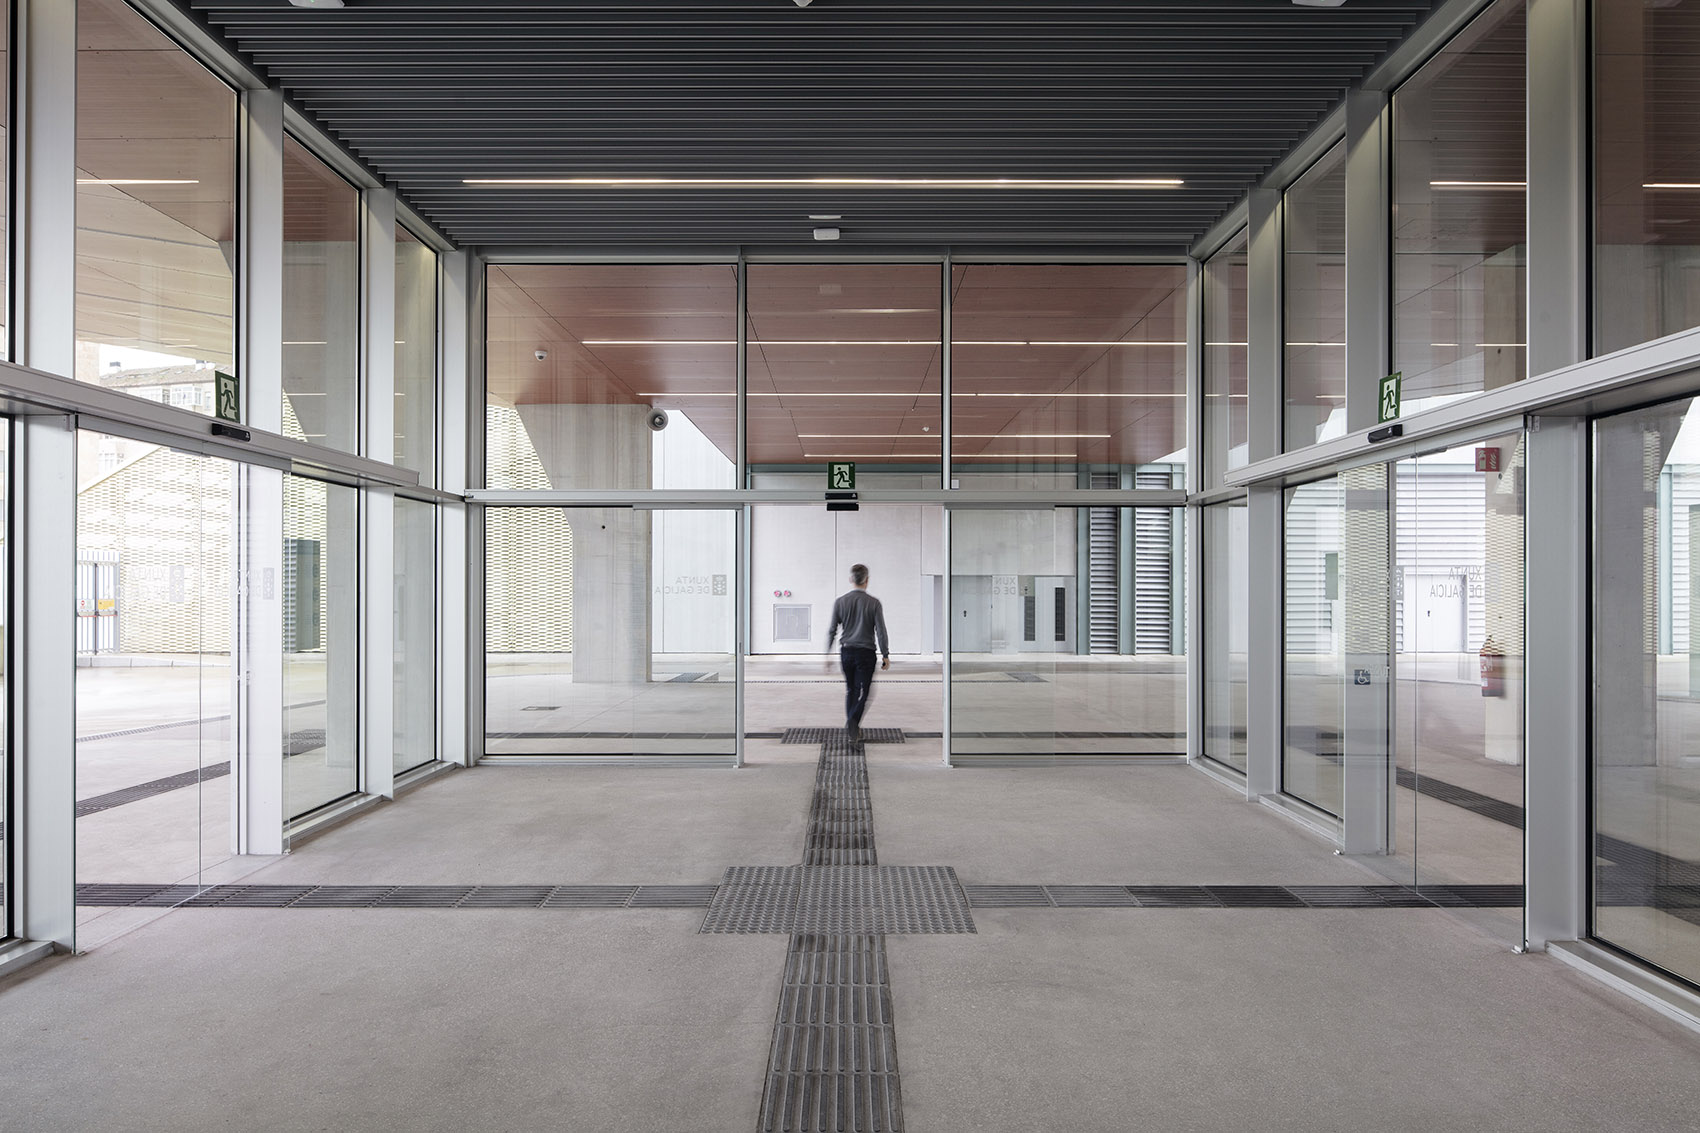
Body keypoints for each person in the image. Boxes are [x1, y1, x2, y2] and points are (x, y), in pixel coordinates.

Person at [824, 563, 890, 742]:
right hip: (866, 653)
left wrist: (827, 654)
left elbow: (832, 630)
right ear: (867, 580)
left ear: (851, 579)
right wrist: (885, 654)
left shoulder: (840, 602)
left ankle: (852, 726)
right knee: (866, 691)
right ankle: (853, 722)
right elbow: (881, 631)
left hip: (847, 652)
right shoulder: (874, 603)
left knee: (851, 689)